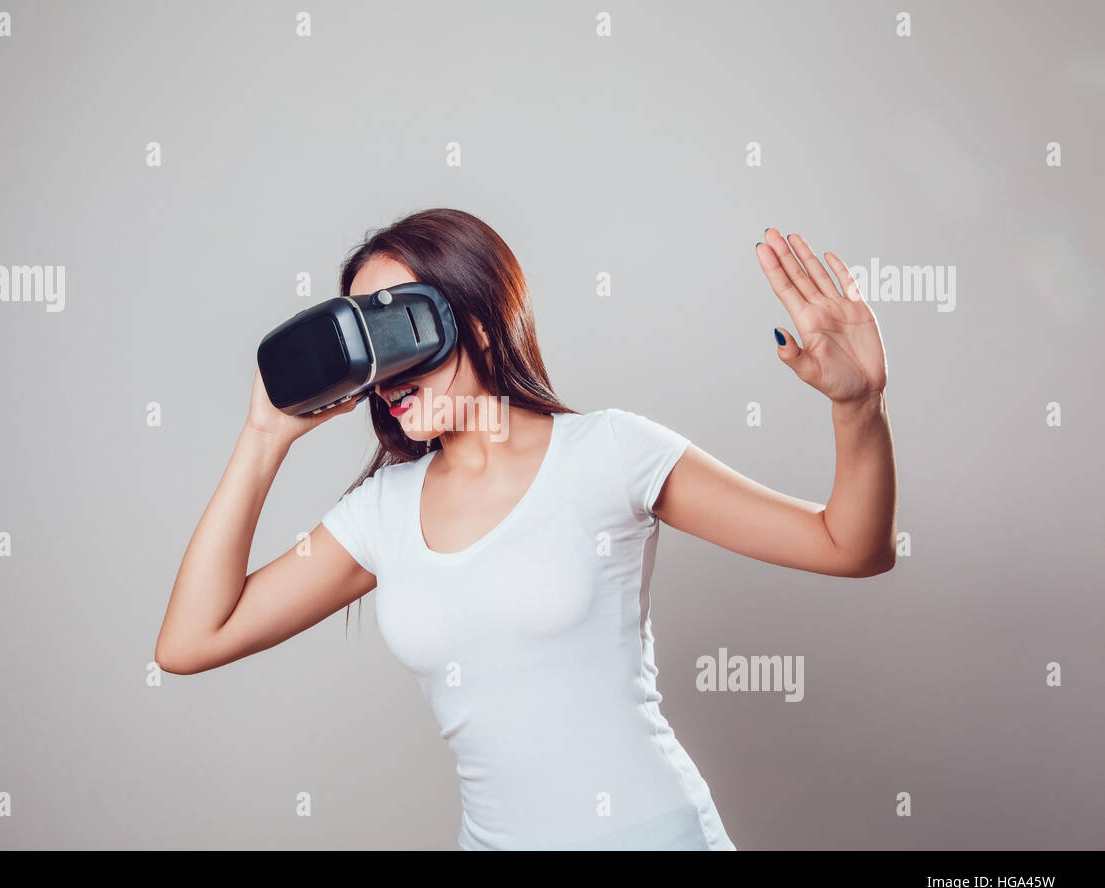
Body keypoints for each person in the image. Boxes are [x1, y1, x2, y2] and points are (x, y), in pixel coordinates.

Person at [154, 207, 897, 850]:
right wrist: (263, 437)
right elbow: (191, 642)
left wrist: (857, 407)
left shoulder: (609, 452)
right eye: (360, 336)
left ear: (473, 319)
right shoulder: (381, 512)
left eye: (393, 320)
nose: (380, 368)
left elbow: (849, 547)